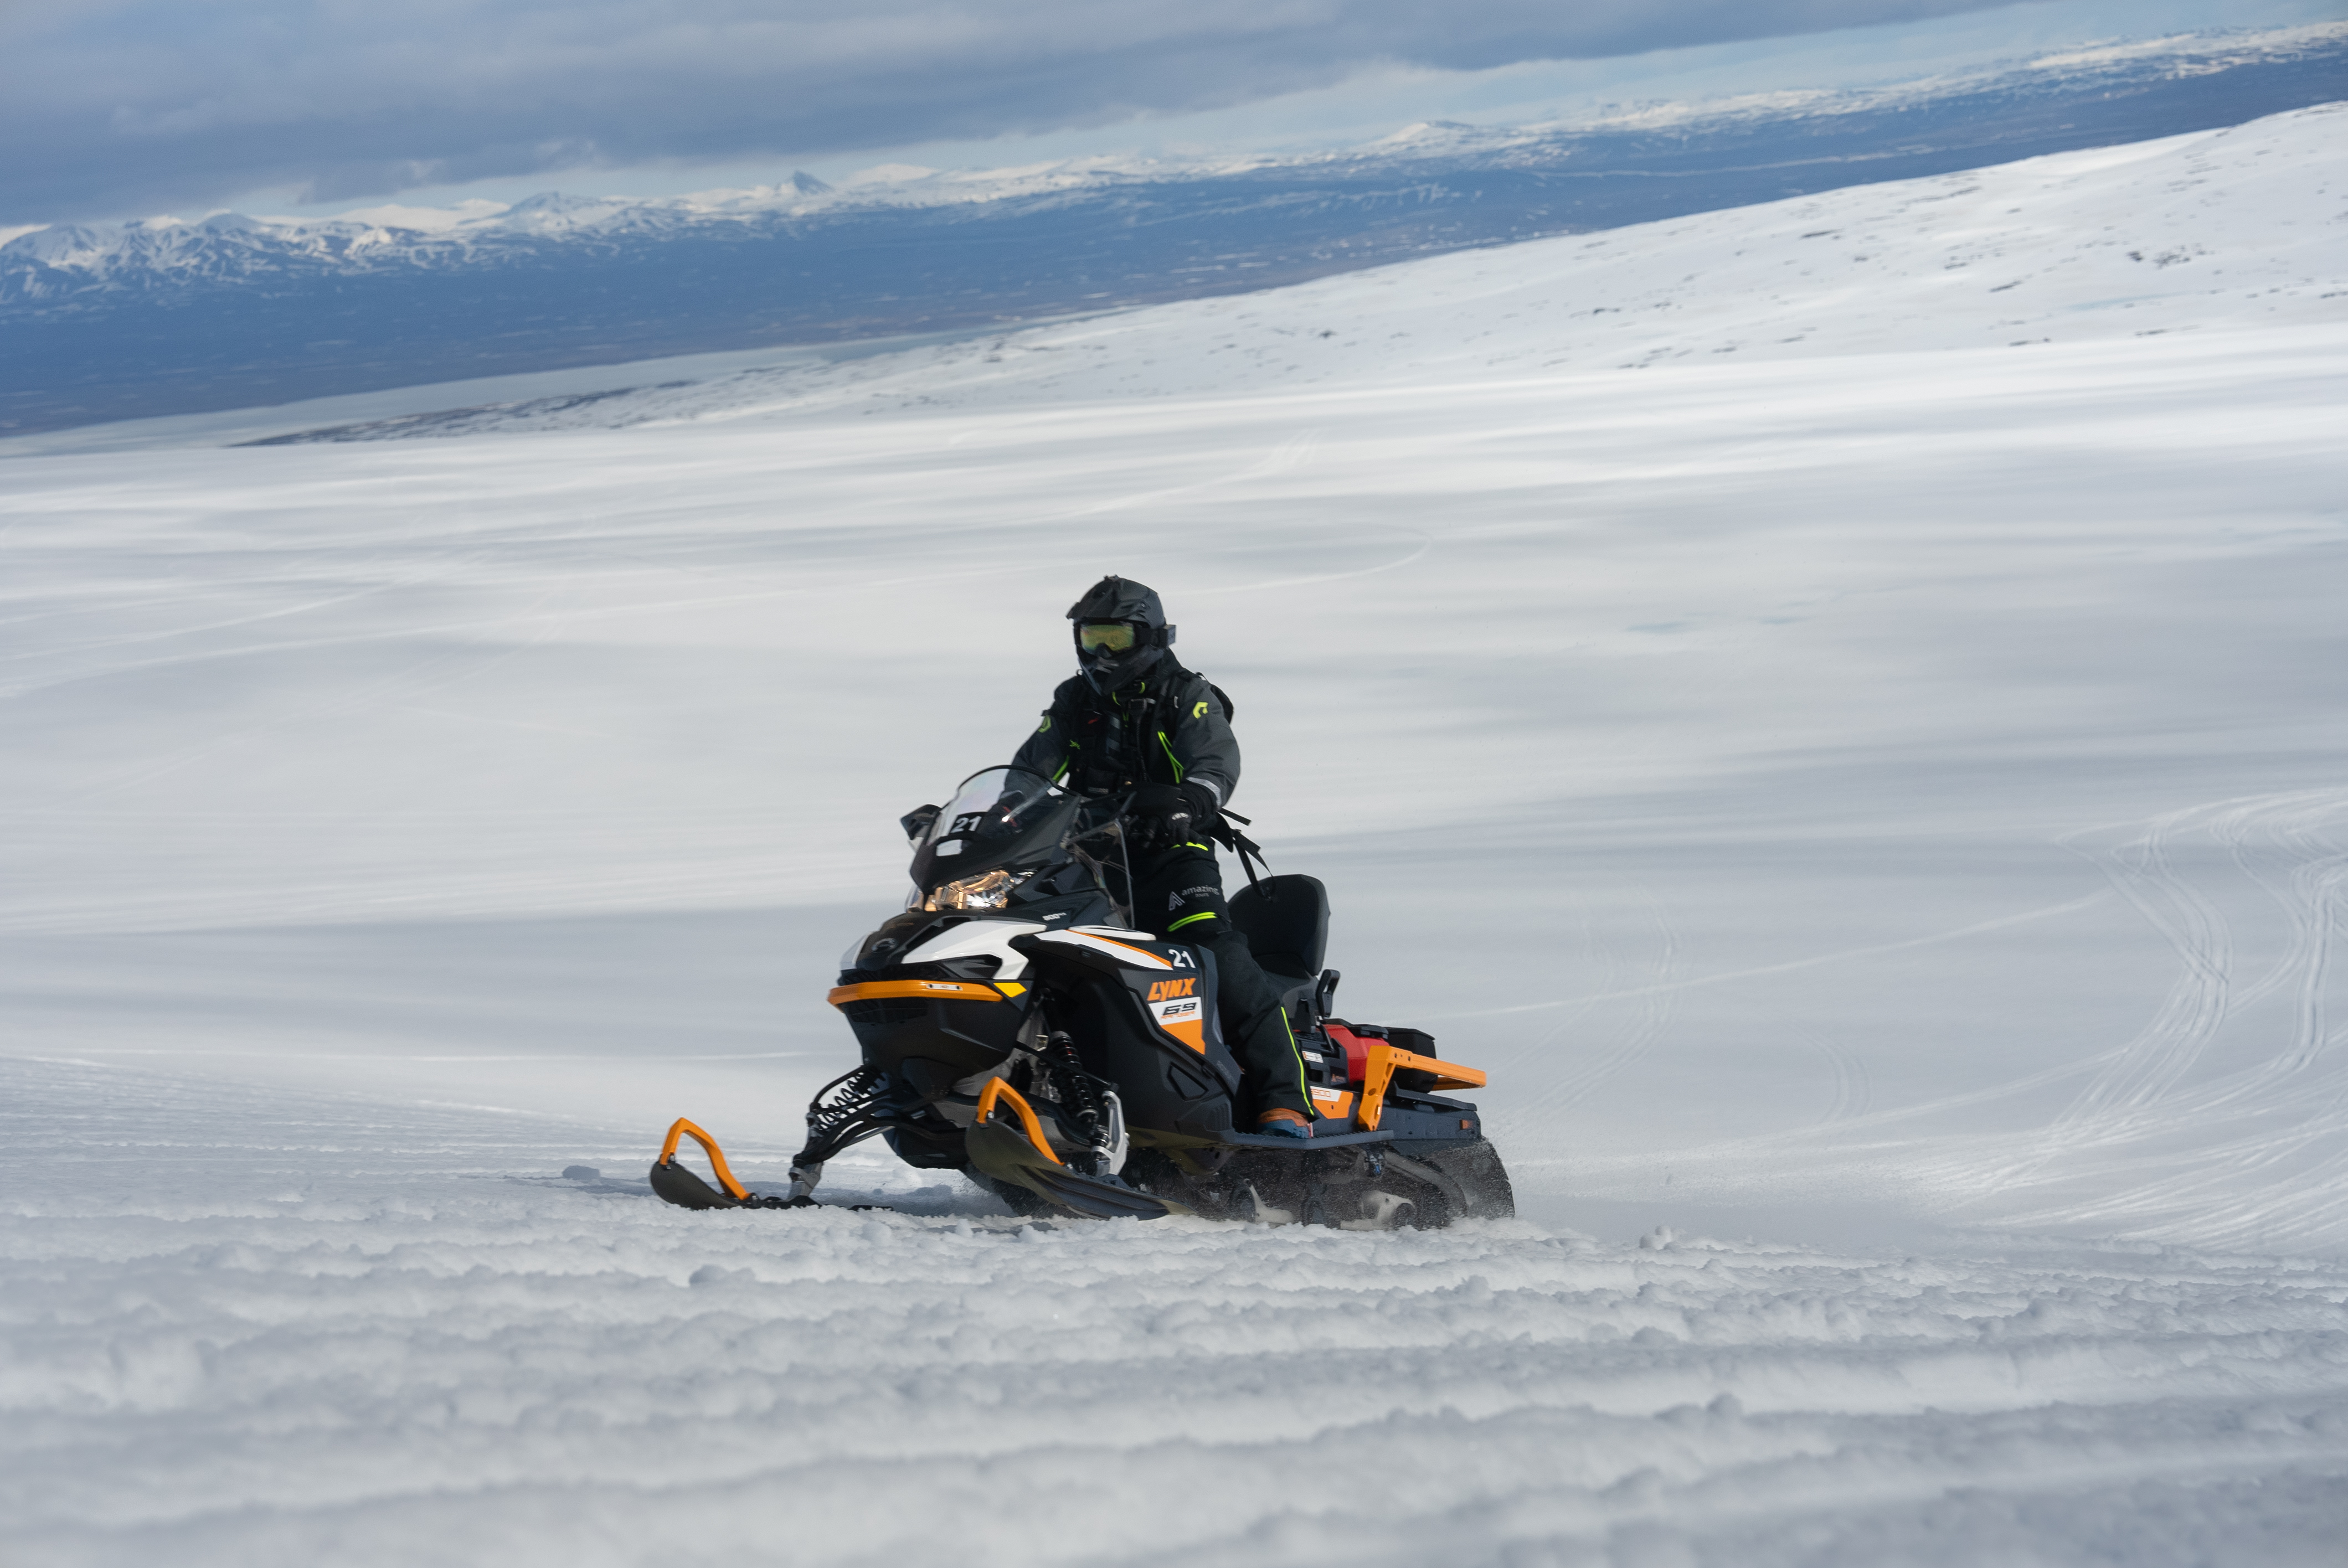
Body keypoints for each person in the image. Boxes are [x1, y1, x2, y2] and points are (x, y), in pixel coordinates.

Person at [1008, 574, 1315, 1138]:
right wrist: (997, 814)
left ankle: (1284, 1099)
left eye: (1116, 639)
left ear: (1150, 636)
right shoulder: (1074, 701)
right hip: (1088, 860)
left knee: (1213, 949)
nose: (1101, 653)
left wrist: (1192, 799)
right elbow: (1032, 767)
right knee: (1031, 947)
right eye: (1091, 637)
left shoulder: (1185, 695)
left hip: (1172, 853)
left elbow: (1216, 761)